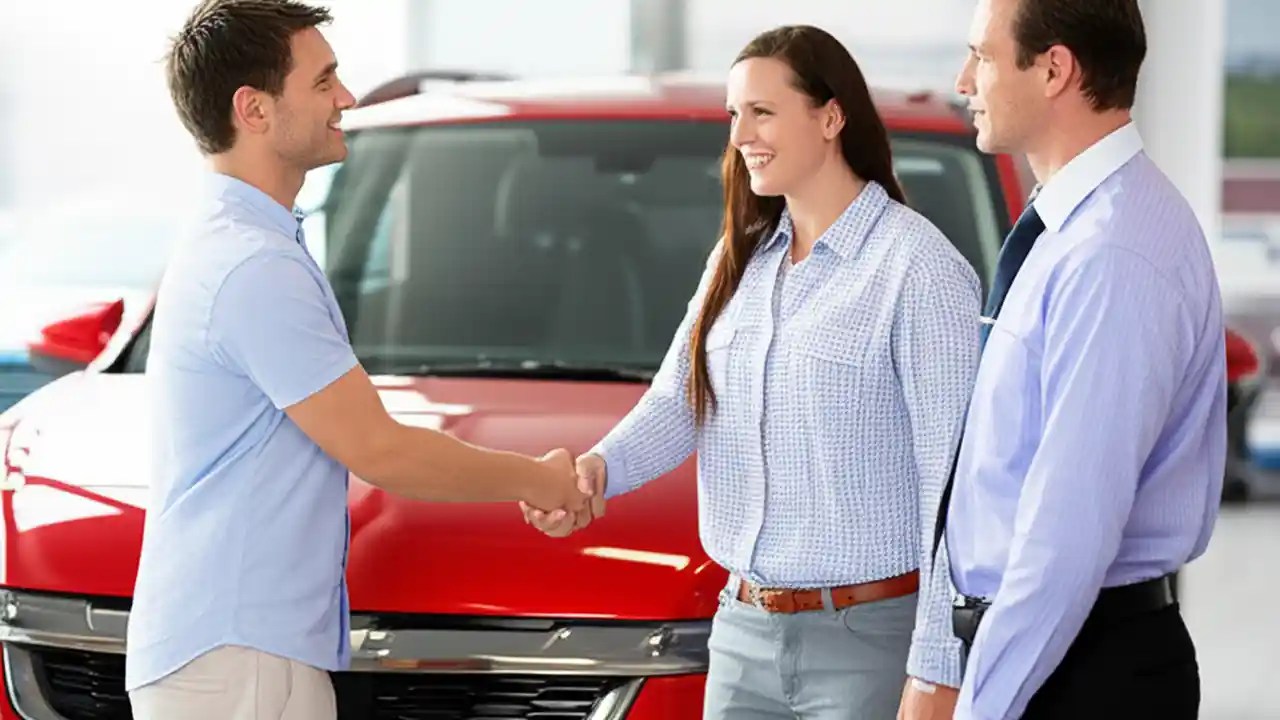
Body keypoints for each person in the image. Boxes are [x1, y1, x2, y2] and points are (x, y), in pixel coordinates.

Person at [124, 2, 589, 718]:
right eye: (323, 81)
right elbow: (381, 450)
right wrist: (540, 478)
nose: (344, 98)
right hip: (239, 659)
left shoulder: (244, 244)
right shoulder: (253, 266)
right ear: (253, 109)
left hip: (238, 649)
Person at [525, 25, 980, 719]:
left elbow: (950, 489)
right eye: (734, 114)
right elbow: (679, 403)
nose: (741, 134)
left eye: (762, 112)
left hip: (870, 642)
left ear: (831, 117)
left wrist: (937, 664)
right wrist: (594, 471)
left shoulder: (918, 269)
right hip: (742, 631)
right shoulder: (739, 259)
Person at [932, 0, 1226, 718]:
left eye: (984, 55)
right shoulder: (1074, 230)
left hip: (1080, 665)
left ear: (1055, 69)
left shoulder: (1110, 255)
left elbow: (1066, 539)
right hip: (1058, 653)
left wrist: (981, 709)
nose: (964, 79)